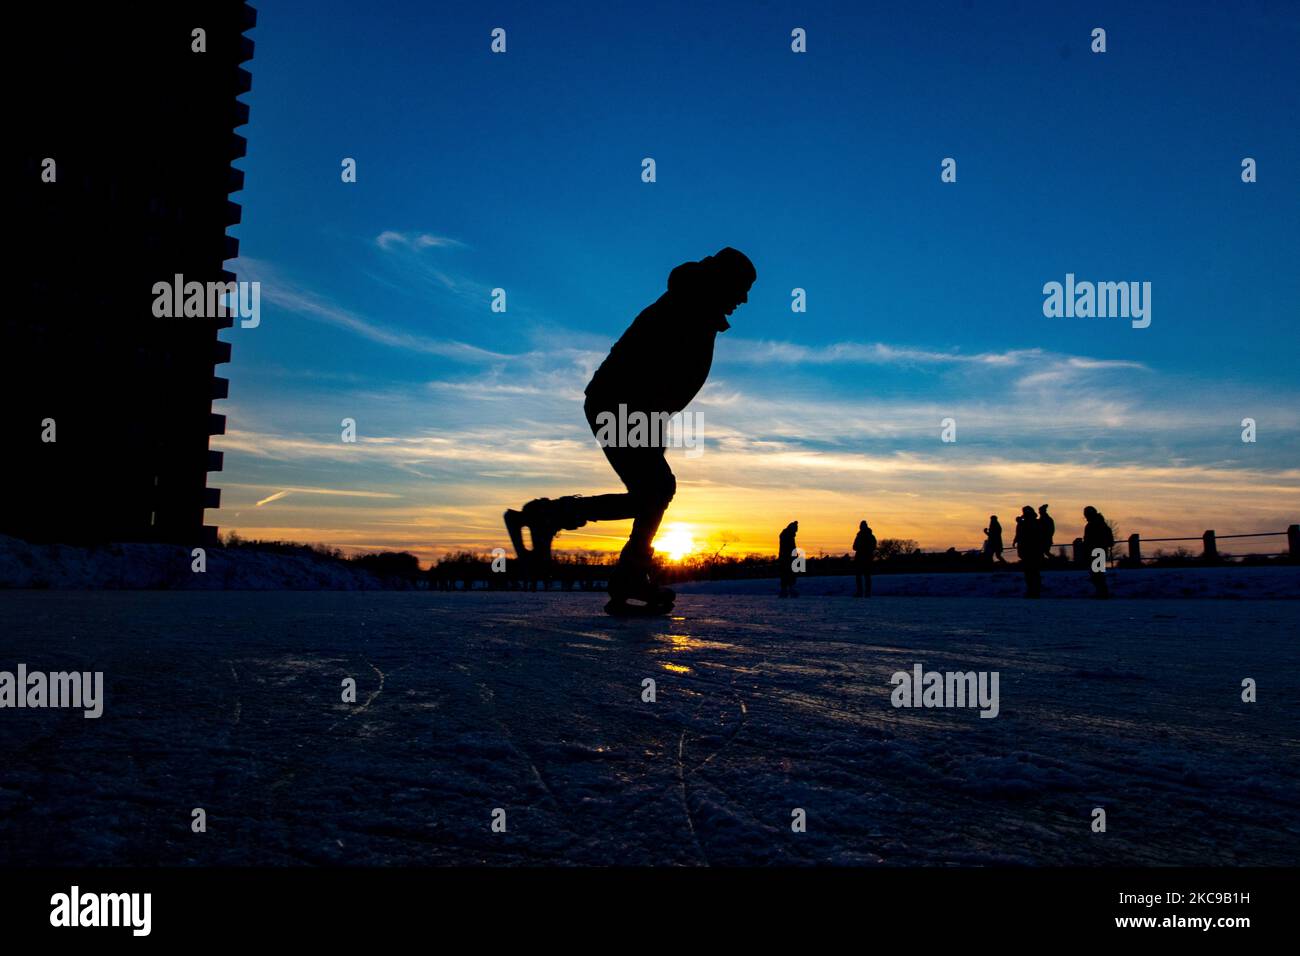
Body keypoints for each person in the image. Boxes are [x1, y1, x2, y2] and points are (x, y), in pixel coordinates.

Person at [504, 248, 757, 613]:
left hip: (633, 407)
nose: (744, 299)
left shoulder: (696, 307)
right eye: (742, 287)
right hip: (622, 404)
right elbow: (653, 368)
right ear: (722, 280)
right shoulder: (689, 306)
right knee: (654, 491)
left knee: (654, 491)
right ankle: (562, 526)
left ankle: (580, 539)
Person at [1082, 505, 1114, 598]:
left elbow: (1089, 540)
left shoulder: (1095, 524)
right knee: (1097, 573)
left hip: (1097, 551)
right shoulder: (1100, 523)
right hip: (1098, 550)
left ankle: (1102, 593)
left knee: (1097, 574)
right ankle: (1101, 592)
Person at [1013, 505, 1042, 597]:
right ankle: (1032, 590)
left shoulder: (1031, 523)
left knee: (1032, 572)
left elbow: (1023, 534)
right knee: (1031, 572)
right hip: (1029, 550)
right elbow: (1019, 534)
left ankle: (1034, 591)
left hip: (1031, 550)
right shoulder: (1030, 522)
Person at [852, 519, 876, 597]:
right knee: (861, 576)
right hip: (862, 558)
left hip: (865, 558)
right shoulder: (860, 536)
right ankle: (861, 592)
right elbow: (854, 546)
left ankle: (865, 592)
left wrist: (863, 549)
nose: (861, 527)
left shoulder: (869, 536)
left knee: (866, 576)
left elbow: (873, 546)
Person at [779, 520, 800, 598]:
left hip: (787, 557)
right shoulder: (788, 535)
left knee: (788, 574)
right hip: (787, 558)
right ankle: (788, 590)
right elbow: (790, 547)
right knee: (788, 573)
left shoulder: (787, 534)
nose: (797, 531)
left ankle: (786, 590)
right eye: (796, 528)